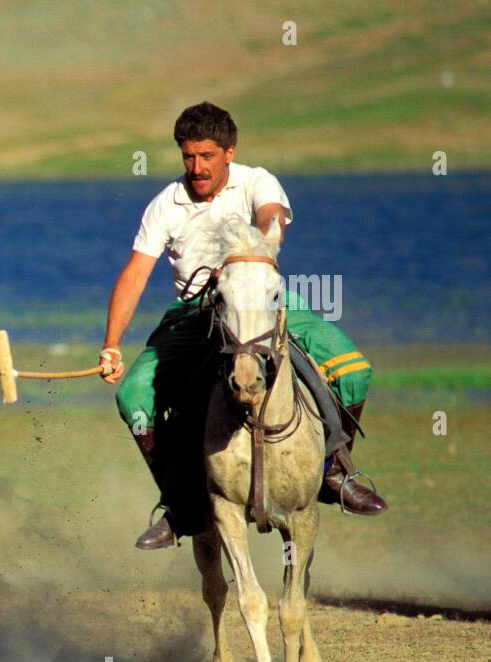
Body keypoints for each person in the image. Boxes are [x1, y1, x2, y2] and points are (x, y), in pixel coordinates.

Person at [100, 102, 387, 550]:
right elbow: (135, 274)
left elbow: (270, 217)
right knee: (132, 395)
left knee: (354, 371)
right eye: (188, 156)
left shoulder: (257, 180)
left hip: (260, 296)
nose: (196, 167)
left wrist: (245, 254)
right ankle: (181, 505)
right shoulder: (165, 205)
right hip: (195, 311)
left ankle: (333, 470)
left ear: (229, 152)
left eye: (207, 156)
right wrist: (112, 344)